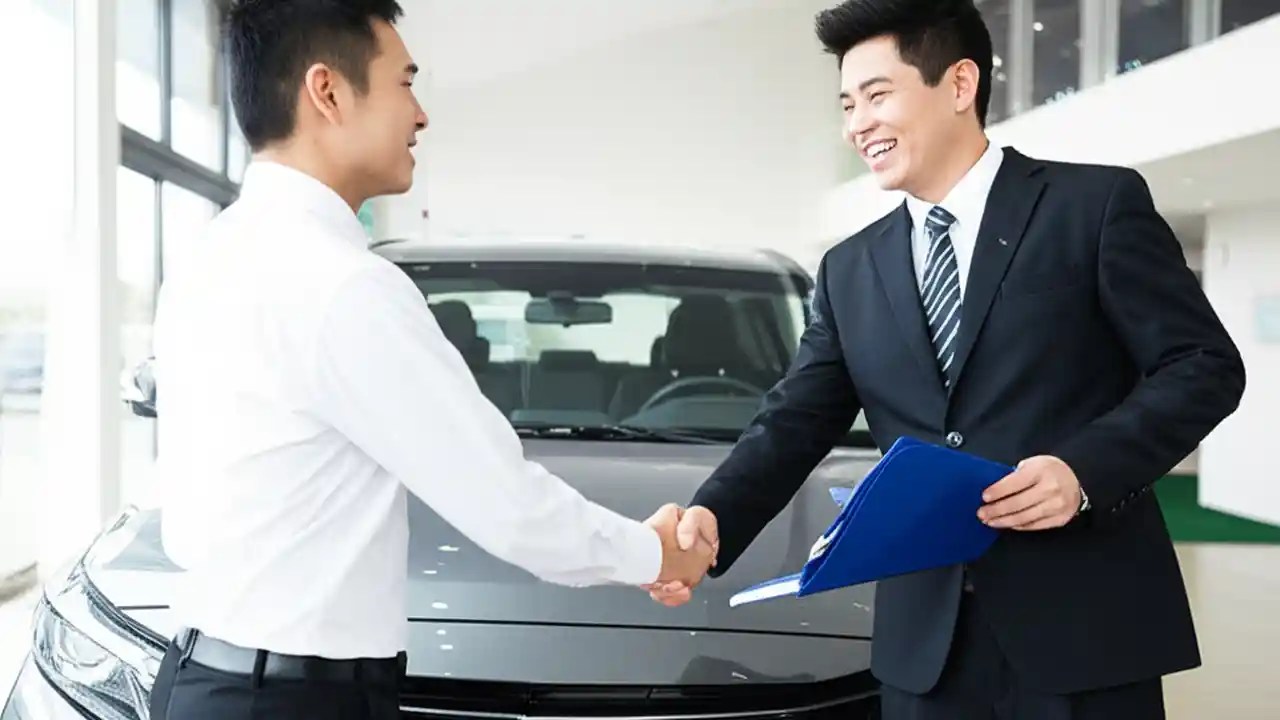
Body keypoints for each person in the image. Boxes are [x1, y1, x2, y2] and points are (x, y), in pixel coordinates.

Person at [649, 0, 1245, 717]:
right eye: (847, 103)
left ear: (959, 86)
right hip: (927, 646)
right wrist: (714, 517)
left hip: (1083, 630)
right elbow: (795, 418)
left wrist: (1084, 471)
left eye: (877, 95)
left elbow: (1203, 363)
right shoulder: (850, 267)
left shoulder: (1092, 207)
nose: (857, 123)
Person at [145, 2, 712, 718]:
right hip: (294, 701)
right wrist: (653, 553)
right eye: (405, 82)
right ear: (328, 92)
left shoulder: (207, 258)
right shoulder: (344, 286)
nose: (420, 116)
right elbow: (506, 506)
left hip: (200, 675)